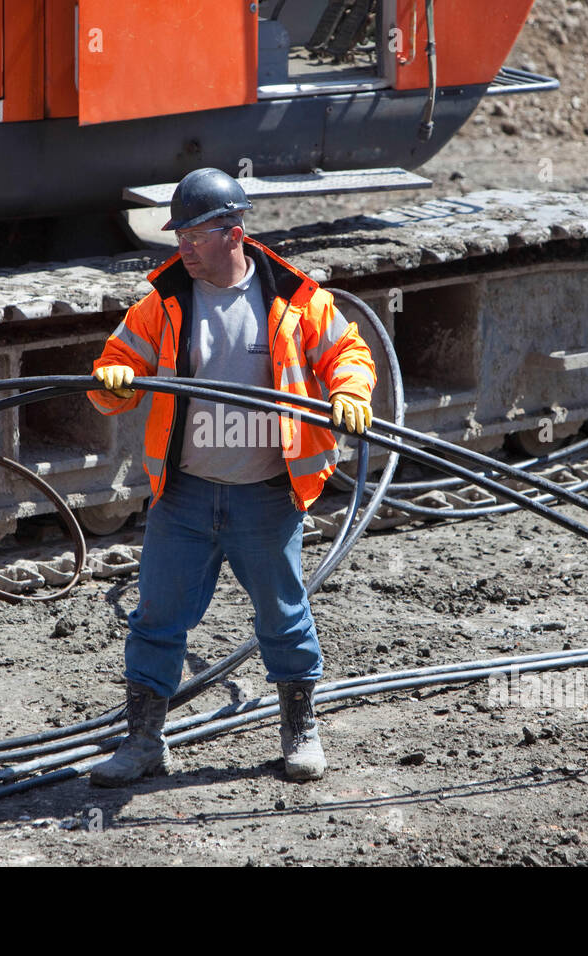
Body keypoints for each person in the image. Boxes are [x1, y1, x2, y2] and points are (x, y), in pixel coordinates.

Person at [86, 167, 375, 786]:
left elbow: (347, 352)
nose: (181, 248)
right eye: (178, 237)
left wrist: (349, 391)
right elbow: (116, 365)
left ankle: (300, 729)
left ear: (233, 233)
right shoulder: (163, 302)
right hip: (184, 496)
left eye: (193, 236)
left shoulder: (295, 299)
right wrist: (111, 384)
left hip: (266, 496)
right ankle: (143, 743)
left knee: (283, 614)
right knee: (157, 616)